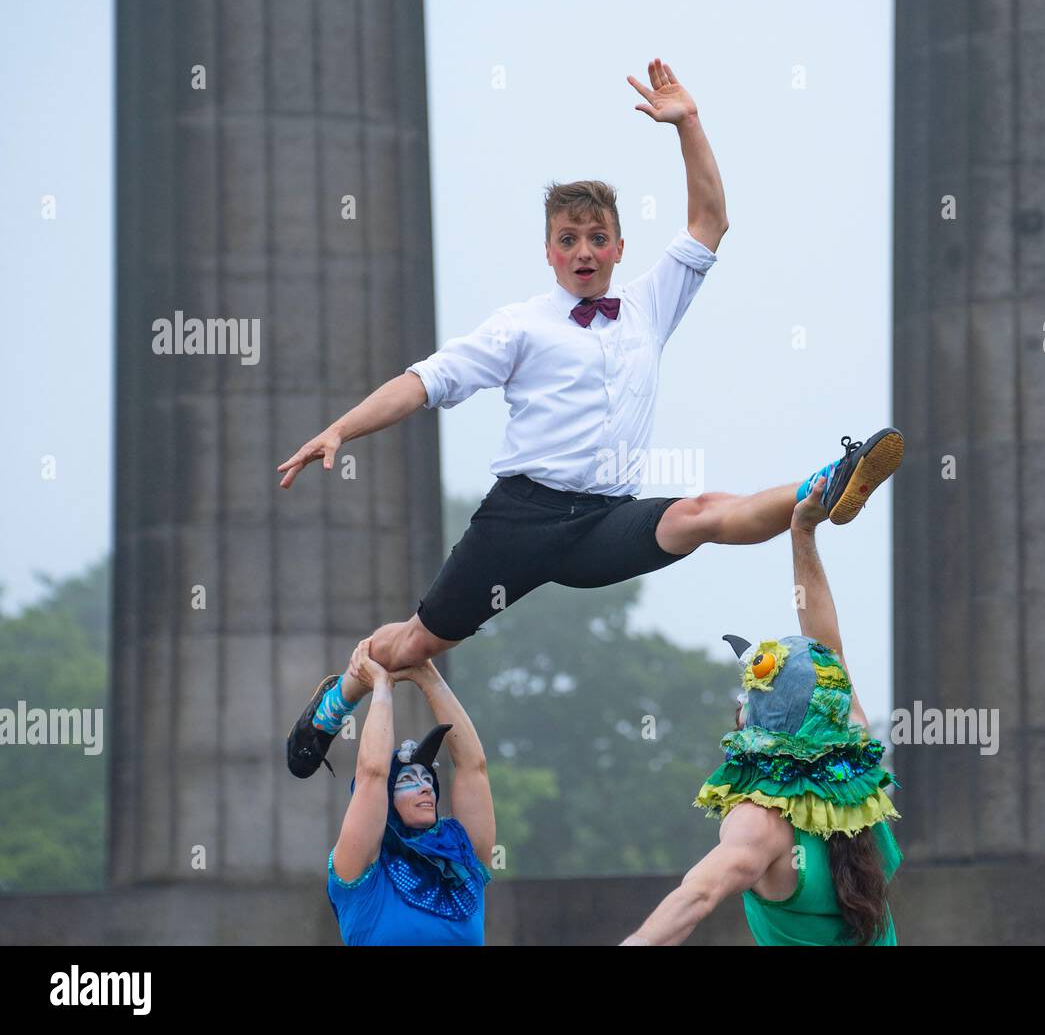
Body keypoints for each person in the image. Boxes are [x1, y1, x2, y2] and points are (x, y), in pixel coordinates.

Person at [281, 55, 906, 779]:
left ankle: (827, 482)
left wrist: (690, 125)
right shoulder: (521, 325)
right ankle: (342, 693)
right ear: (549, 251)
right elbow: (422, 383)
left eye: (596, 238)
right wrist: (339, 429)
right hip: (520, 519)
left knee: (698, 512)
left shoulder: (648, 303)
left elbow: (711, 220)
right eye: (569, 240)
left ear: (618, 246)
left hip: (602, 521)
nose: (584, 252)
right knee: (417, 644)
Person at [620, 477, 903, 946]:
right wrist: (802, 533)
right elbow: (826, 644)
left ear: (753, 717)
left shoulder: (761, 823)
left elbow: (697, 896)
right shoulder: (860, 772)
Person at [326, 641, 494, 946]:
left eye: (427, 778)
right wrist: (381, 685)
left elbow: (473, 768)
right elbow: (373, 775)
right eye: (408, 781)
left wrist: (427, 676)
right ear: (384, 803)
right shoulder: (360, 870)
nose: (426, 785)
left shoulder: (461, 864)